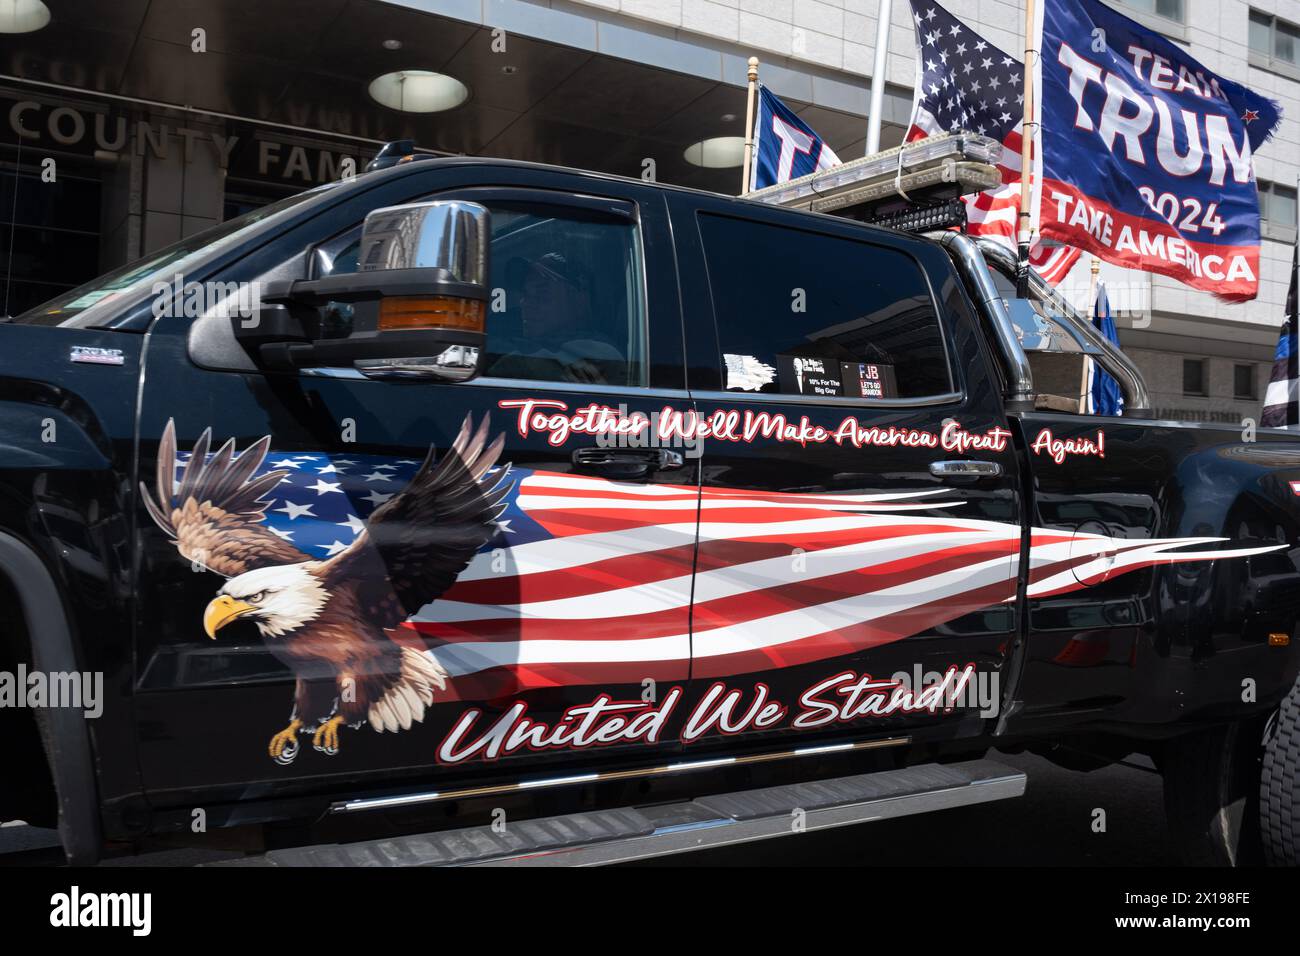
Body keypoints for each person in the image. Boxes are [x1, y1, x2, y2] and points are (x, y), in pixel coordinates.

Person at [486, 252, 625, 385]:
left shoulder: (599, 355)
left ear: (580, 299)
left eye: (541, 293)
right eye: (525, 293)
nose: (525, 303)